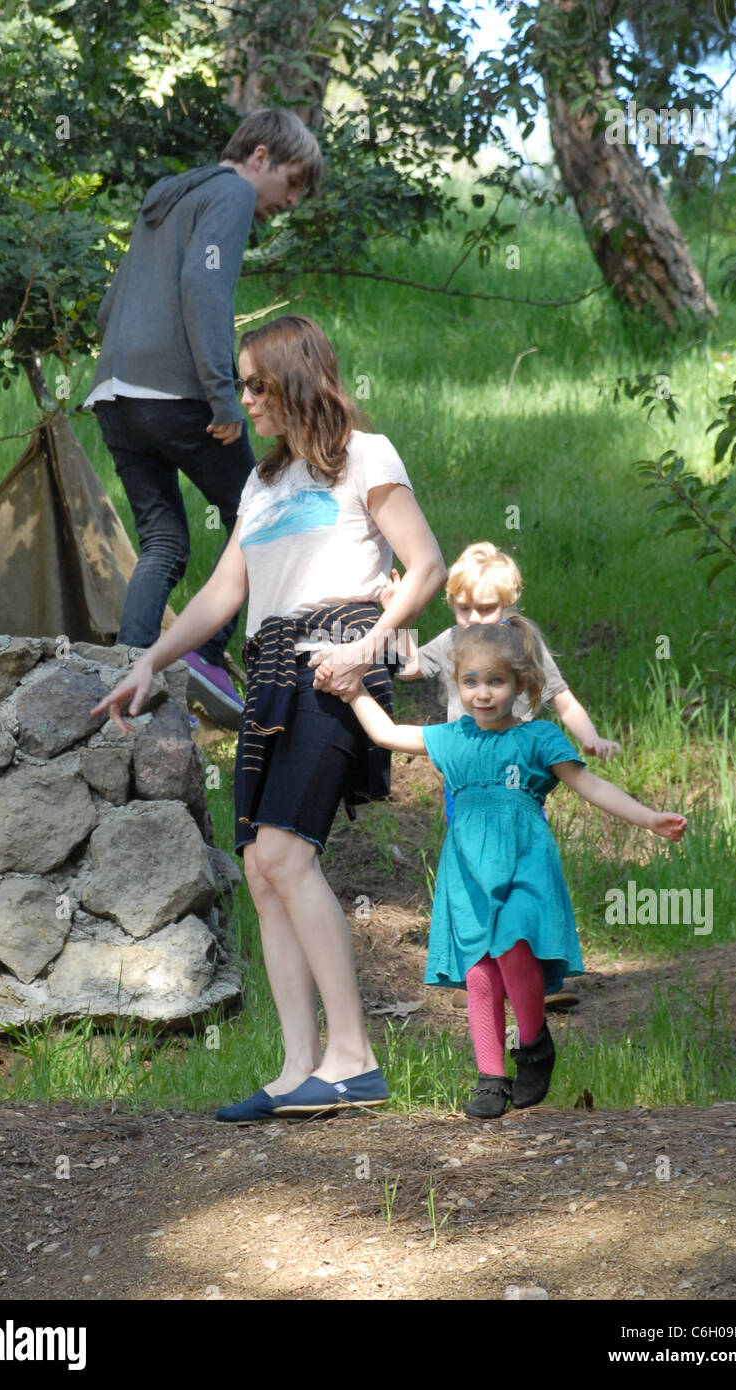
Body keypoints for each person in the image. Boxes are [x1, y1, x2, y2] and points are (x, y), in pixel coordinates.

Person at [91, 314, 446, 1122]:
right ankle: (298, 1070)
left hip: (335, 662)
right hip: (270, 671)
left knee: (288, 855)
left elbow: (426, 565)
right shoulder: (261, 484)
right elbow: (225, 591)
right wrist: (150, 659)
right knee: (260, 868)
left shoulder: (368, 455)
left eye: (256, 383)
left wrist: (371, 648)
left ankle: (353, 1059)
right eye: (241, 383)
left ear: (296, 377)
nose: (244, 398)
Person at [343, 617, 687, 1118]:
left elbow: (591, 787)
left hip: (525, 866)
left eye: (496, 681)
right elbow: (388, 733)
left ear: (521, 684)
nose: (483, 694)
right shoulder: (453, 738)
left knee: (516, 949)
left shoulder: (539, 740)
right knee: (480, 974)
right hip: (467, 874)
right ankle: (491, 1077)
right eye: (471, 682)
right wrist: (354, 691)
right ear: (457, 685)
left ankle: (533, 1044)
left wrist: (648, 818)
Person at [85, 109, 322, 724]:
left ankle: (130, 667)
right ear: (262, 156)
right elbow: (204, 287)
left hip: (115, 394)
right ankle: (207, 657)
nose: (291, 201)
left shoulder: (166, 200)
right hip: (178, 399)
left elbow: (111, 305)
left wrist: (123, 368)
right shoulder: (234, 190)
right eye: (293, 182)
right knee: (263, 518)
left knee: (164, 537)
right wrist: (225, 395)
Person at [385, 540, 621, 1010]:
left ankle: (527, 963)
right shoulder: (454, 642)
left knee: (525, 867)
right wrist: (399, 612)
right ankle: (484, 961)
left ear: (510, 604)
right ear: (451, 605)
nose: (474, 619)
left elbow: (562, 698)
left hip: (519, 777)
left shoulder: (521, 644)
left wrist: (590, 737)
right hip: (467, 773)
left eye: (486, 608)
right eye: (463, 608)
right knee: (474, 862)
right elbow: (408, 667)